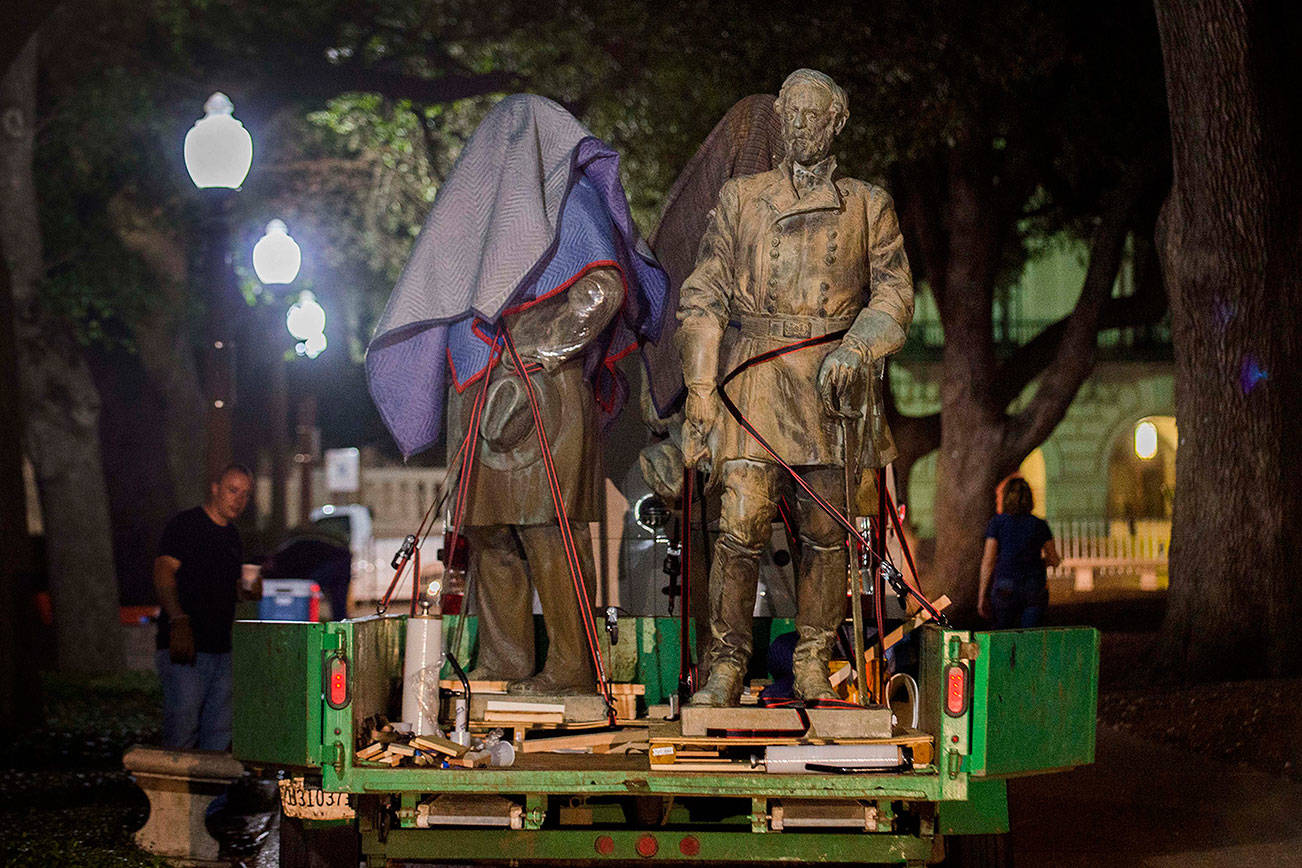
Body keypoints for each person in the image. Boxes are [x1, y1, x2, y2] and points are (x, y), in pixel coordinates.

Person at [676, 69, 915, 706]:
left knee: (827, 529)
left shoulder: (868, 204)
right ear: (781, 120)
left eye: (816, 115)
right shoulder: (740, 197)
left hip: (834, 389)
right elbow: (702, 294)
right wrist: (700, 384)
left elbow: (894, 293)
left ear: (837, 124)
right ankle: (725, 662)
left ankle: (812, 656)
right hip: (754, 376)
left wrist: (859, 345)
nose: (803, 126)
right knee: (741, 522)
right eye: (794, 115)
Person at [154, 463, 255, 750]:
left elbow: (230, 587)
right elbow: (163, 571)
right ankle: (177, 793)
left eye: (245, 494)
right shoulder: (185, 525)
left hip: (222, 649)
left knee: (219, 733)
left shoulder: (232, 536)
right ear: (215, 488)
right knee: (183, 728)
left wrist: (248, 591)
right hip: (187, 649)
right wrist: (178, 620)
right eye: (232, 490)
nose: (238, 499)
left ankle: (210, 795)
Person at [977, 477, 1061, 628]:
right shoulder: (1040, 525)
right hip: (1034, 587)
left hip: (1005, 586)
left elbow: (988, 561)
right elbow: (1054, 559)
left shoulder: (997, 523)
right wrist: (1041, 562)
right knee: (1031, 637)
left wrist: (982, 595)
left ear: (1006, 498)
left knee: (1002, 636)